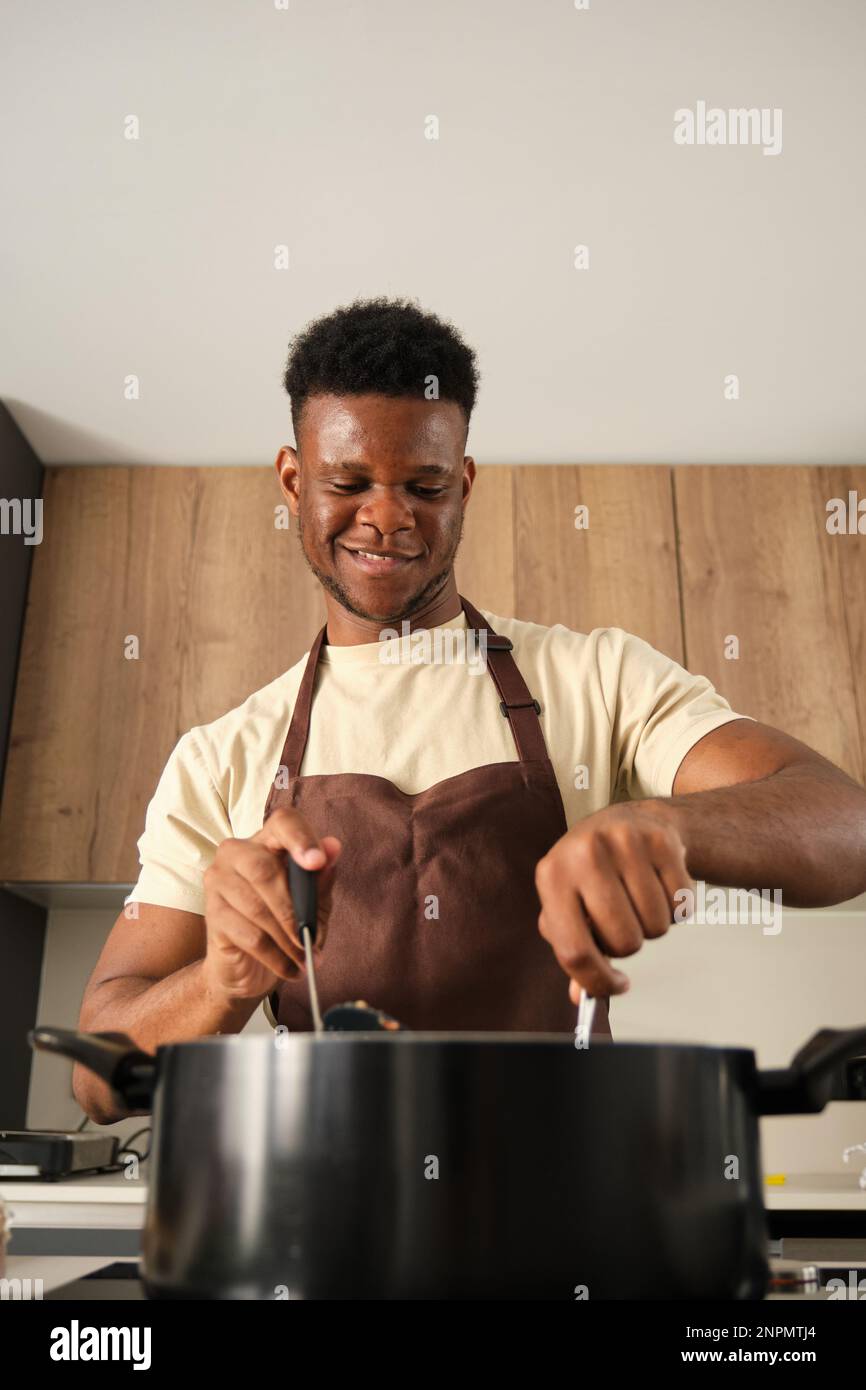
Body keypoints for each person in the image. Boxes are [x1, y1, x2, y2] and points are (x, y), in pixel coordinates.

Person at [74, 297, 866, 1122]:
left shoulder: (598, 676)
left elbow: (848, 823)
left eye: (426, 485)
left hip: (560, 1203)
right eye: (347, 483)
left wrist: (672, 825)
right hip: (321, 1216)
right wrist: (220, 980)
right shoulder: (220, 757)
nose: (386, 517)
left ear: (465, 484)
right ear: (292, 480)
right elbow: (97, 1077)